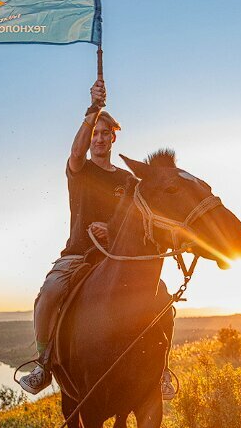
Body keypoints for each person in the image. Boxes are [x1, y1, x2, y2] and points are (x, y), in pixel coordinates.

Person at [19, 79, 176, 400]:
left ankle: (162, 371)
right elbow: (75, 151)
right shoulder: (81, 169)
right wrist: (93, 110)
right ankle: (44, 364)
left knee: (163, 300)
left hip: (118, 259)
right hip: (78, 255)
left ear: (114, 138)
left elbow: (140, 222)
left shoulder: (128, 181)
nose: (100, 138)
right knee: (49, 295)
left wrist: (114, 231)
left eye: (106, 133)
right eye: (95, 134)